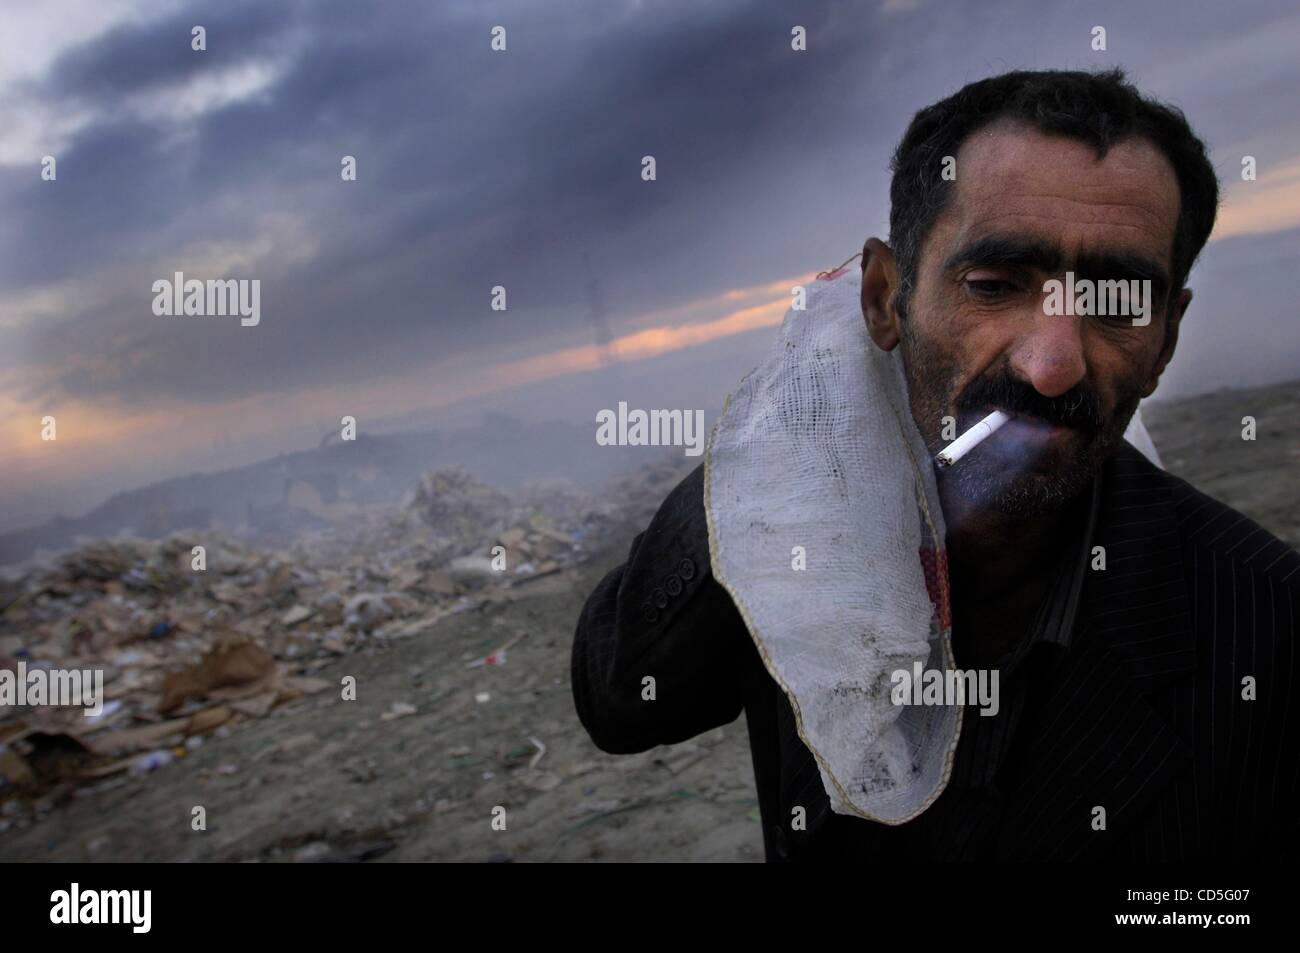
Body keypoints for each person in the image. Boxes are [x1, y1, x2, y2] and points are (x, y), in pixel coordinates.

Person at [571, 69, 1300, 862]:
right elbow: (621, 702)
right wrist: (773, 445)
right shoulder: (797, 531)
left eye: (1118, 303)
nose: (1051, 367)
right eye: (994, 286)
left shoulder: (1269, 625)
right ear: (885, 299)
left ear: (1165, 340)